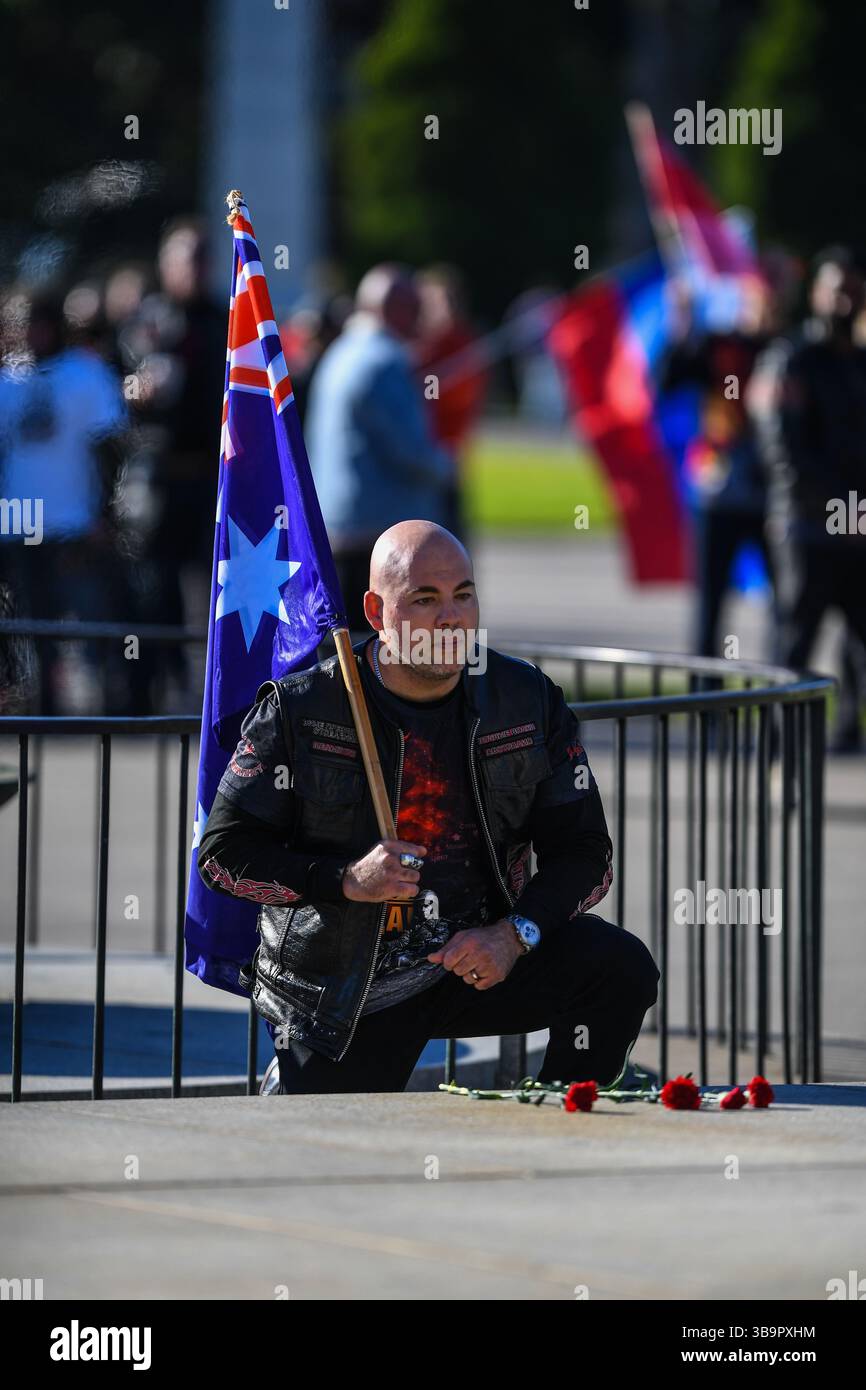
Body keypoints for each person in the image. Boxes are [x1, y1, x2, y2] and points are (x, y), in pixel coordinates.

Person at [197, 519, 658, 1095]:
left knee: (620, 968)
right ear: (374, 611)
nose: (451, 618)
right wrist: (344, 879)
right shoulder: (302, 709)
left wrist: (513, 935)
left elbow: (587, 853)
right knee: (328, 1161)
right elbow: (221, 856)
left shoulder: (524, 699)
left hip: (480, 959)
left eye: (464, 596)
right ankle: (292, 1081)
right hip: (346, 991)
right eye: (425, 599)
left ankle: (559, 1123)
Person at [749, 246, 866, 752]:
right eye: (834, 288)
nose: (843, 300)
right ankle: (777, 747)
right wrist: (843, 506)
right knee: (795, 643)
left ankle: (847, 733)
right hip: (806, 528)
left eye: (853, 289)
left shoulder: (859, 364)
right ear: (817, 292)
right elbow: (784, 454)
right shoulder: (791, 359)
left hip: (857, 531)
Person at [304, 265, 455, 634]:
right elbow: (411, 453)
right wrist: (448, 465)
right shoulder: (385, 360)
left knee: (349, 656)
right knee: (390, 658)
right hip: (380, 537)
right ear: (396, 309)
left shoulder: (341, 351)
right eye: (415, 307)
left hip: (339, 529)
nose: (421, 317)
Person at [0, 290, 127, 713]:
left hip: (75, 519)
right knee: (32, 622)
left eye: (39, 323)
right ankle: (44, 706)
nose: (31, 334)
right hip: (22, 520)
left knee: (91, 618)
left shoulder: (86, 374)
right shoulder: (7, 381)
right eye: (23, 325)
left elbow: (110, 448)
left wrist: (105, 512)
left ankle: (110, 704)